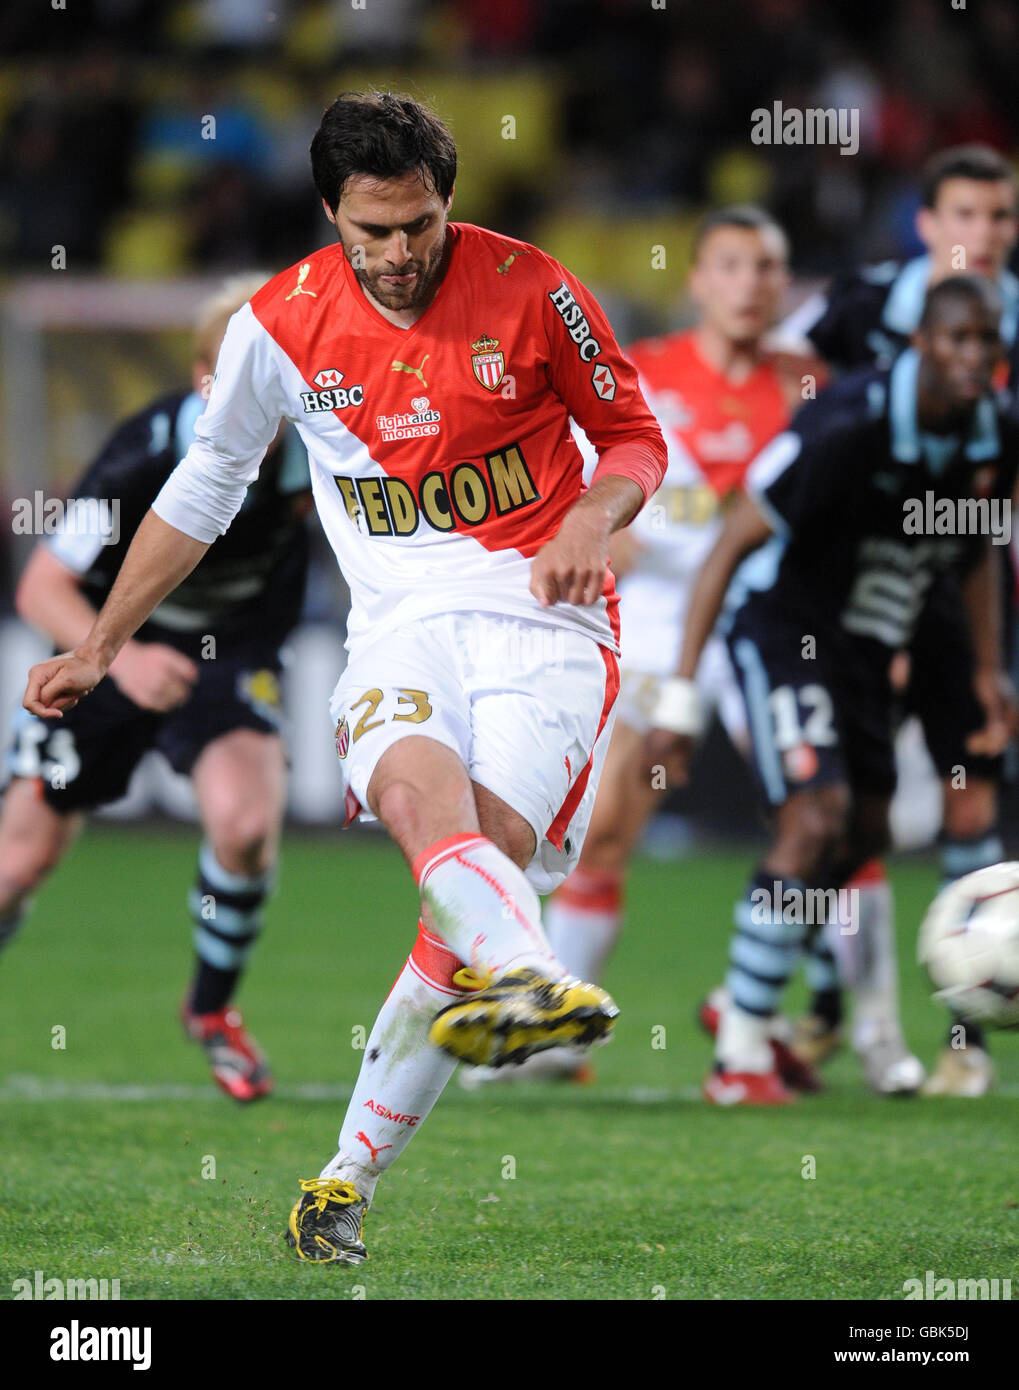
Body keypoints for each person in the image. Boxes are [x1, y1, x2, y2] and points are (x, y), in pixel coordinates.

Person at [21, 91, 667, 1262]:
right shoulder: (279, 325)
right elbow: (203, 487)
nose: (399, 254)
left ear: (447, 201)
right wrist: (102, 642)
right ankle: (529, 975)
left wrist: (592, 514)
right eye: (370, 232)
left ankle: (344, 1175)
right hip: (399, 626)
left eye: (417, 225)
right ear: (329, 214)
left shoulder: (532, 286)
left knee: (479, 877)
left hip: (547, 620)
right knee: (437, 827)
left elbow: (631, 435)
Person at [463, 204, 813, 1088]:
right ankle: (550, 1031)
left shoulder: (811, 383)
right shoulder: (641, 378)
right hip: (663, 633)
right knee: (611, 825)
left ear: (784, 283)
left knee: (827, 814)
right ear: (696, 280)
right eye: (730, 265)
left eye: (767, 267)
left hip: (780, 628)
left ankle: (829, 1022)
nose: (749, 284)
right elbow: (584, 506)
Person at [648, 276, 1017, 1104]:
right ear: (920, 343)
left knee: (865, 832)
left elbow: (976, 553)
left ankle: (739, 996)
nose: (971, 358)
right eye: (954, 339)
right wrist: (680, 691)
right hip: (783, 631)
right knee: (813, 817)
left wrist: (987, 671)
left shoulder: (993, 432)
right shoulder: (846, 423)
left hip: (862, 649)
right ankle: (738, 1057)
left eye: (985, 343)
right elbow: (730, 541)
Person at [2, 274, 311, 1100]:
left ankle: (210, 1013)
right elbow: (40, 590)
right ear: (208, 382)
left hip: (230, 657)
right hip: (105, 650)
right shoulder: (141, 456)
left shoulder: (314, 453)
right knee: (13, 869)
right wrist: (124, 657)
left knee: (246, 828)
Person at [777, 145, 1019, 1095]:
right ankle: (829, 1006)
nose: (985, 234)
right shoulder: (862, 303)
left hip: (955, 575)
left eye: (1000, 217)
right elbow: (791, 376)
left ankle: (968, 1038)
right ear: (927, 223)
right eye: (965, 213)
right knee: (838, 809)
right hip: (845, 590)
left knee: (969, 795)